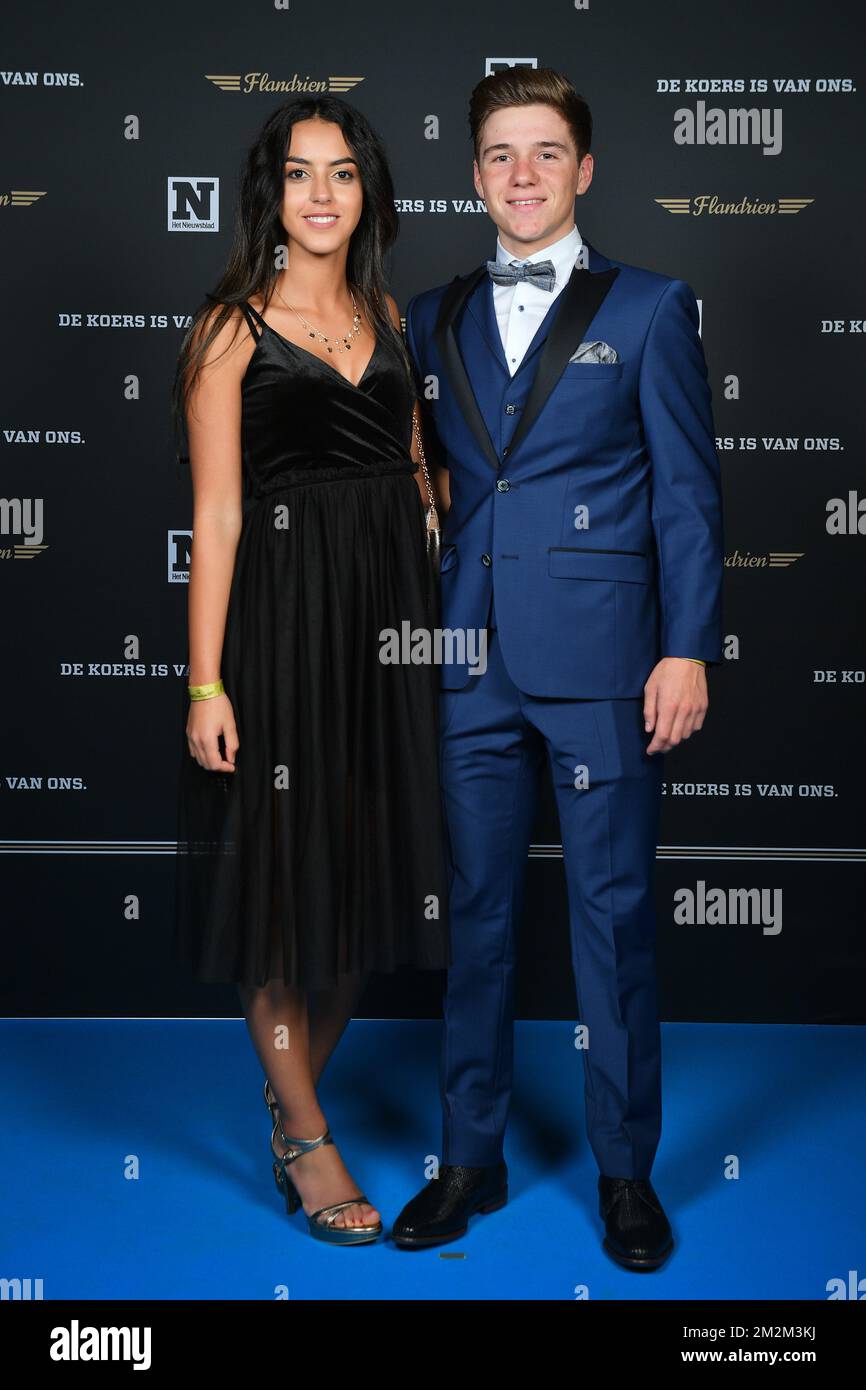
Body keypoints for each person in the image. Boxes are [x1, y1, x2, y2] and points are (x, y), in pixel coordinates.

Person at [392, 66, 724, 1269]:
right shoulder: (427, 316)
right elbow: (428, 487)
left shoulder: (648, 308)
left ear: (582, 170)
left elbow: (686, 498)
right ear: (472, 172)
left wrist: (683, 645)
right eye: (497, 154)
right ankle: (465, 1156)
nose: (520, 175)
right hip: (465, 659)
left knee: (612, 923)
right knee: (474, 918)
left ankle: (625, 1175)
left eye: (542, 153)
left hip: (603, 665)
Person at [171, 95, 450, 1245]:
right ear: (271, 194)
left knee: (360, 881)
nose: (322, 194)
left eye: (342, 173)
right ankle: (303, 1135)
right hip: (281, 629)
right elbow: (220, 515)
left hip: (388, 631)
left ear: (368, 194)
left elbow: (424, 479)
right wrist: (206, 683)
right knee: (283, 893)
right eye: (300, 174)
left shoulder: (389, 317)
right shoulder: (230, 328)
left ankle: (290, 1099)